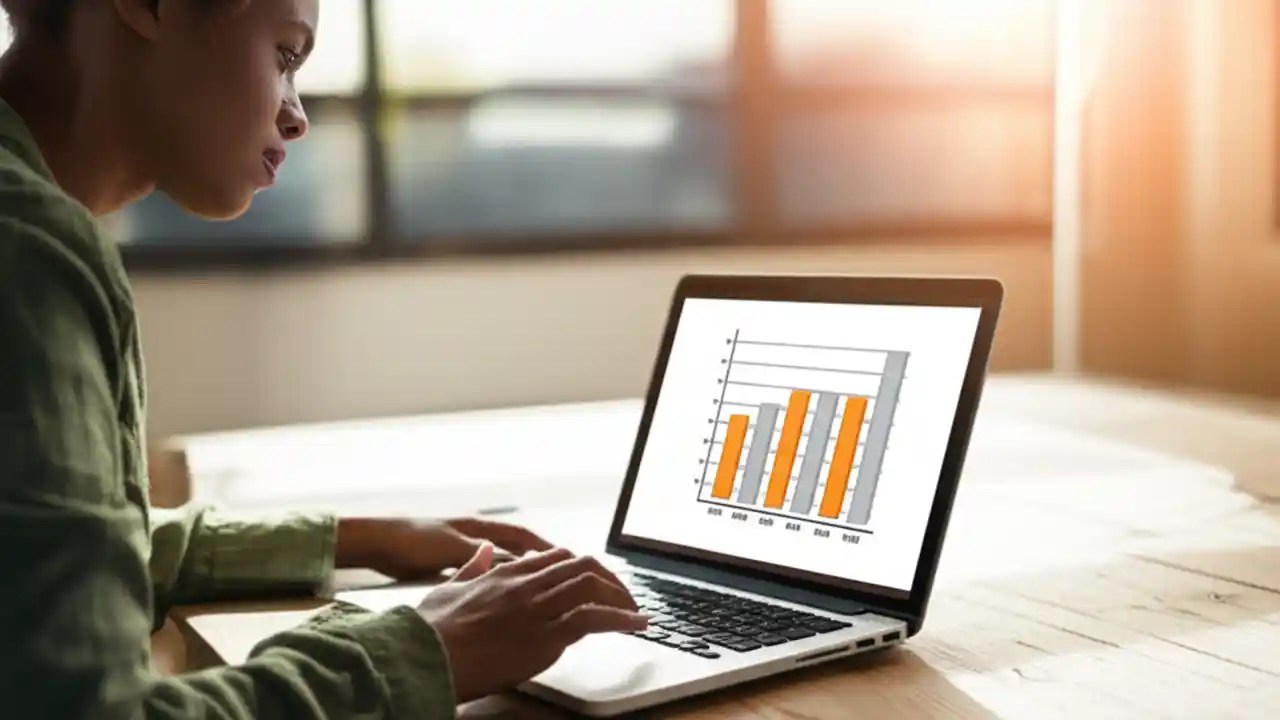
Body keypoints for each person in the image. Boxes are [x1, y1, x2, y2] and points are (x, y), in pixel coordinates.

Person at [0, 0, 647, 717]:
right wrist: (426, 646)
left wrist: (362, 537)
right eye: (284, 55)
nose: (297, 116)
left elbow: (63, 549)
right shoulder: (26, 251)